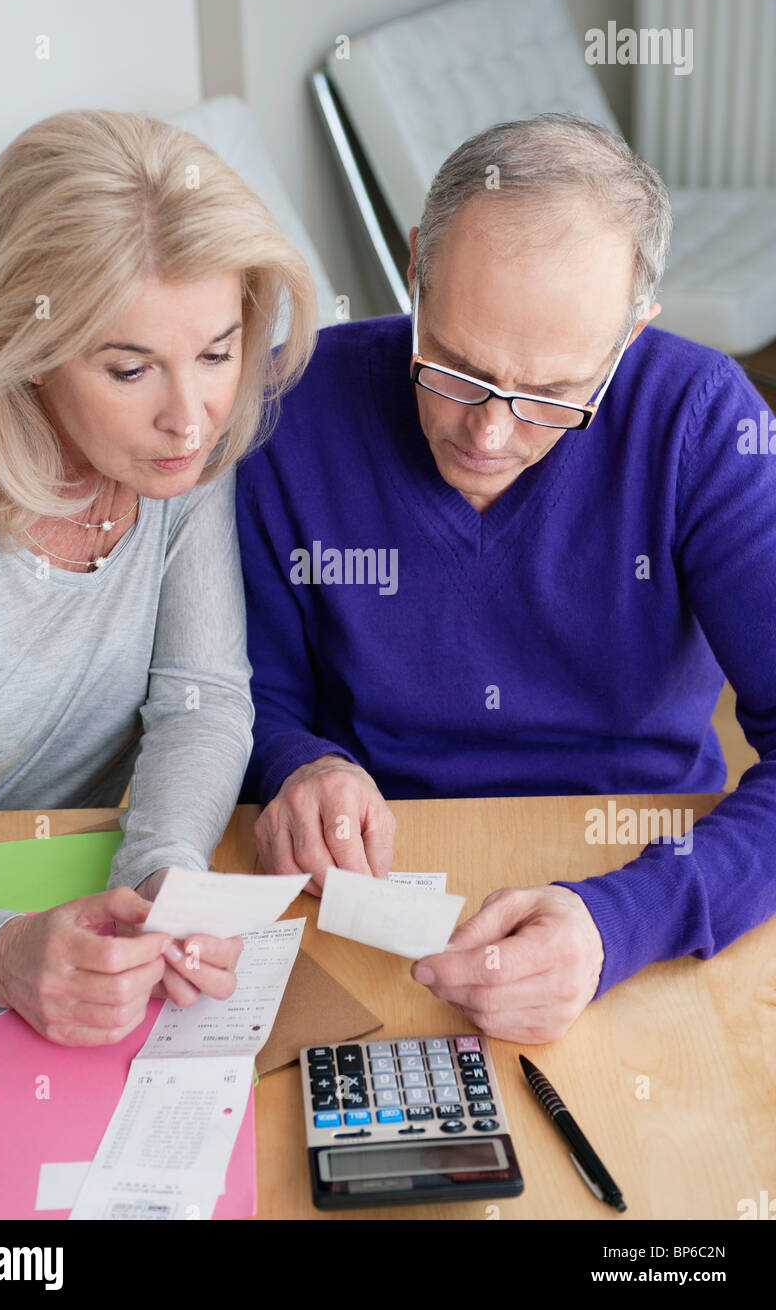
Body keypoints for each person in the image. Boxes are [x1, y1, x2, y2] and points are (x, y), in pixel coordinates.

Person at [235, 112, 776, 1043]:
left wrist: (623, 922)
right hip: (363, 889)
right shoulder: (289, 409)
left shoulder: (702, 422)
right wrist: (301, 764)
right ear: (417, 267)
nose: (488, 435)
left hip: (645, 878)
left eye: (553, 397)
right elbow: (253, 698)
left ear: (630, 334)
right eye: (455, 368)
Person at [0, 108, 315, 1045]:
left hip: (55, 899)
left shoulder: (174, 456)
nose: (193, 419)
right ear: (30, 346)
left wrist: (161, 878)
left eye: (217, 353)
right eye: (130, 368)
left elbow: (201, 700)